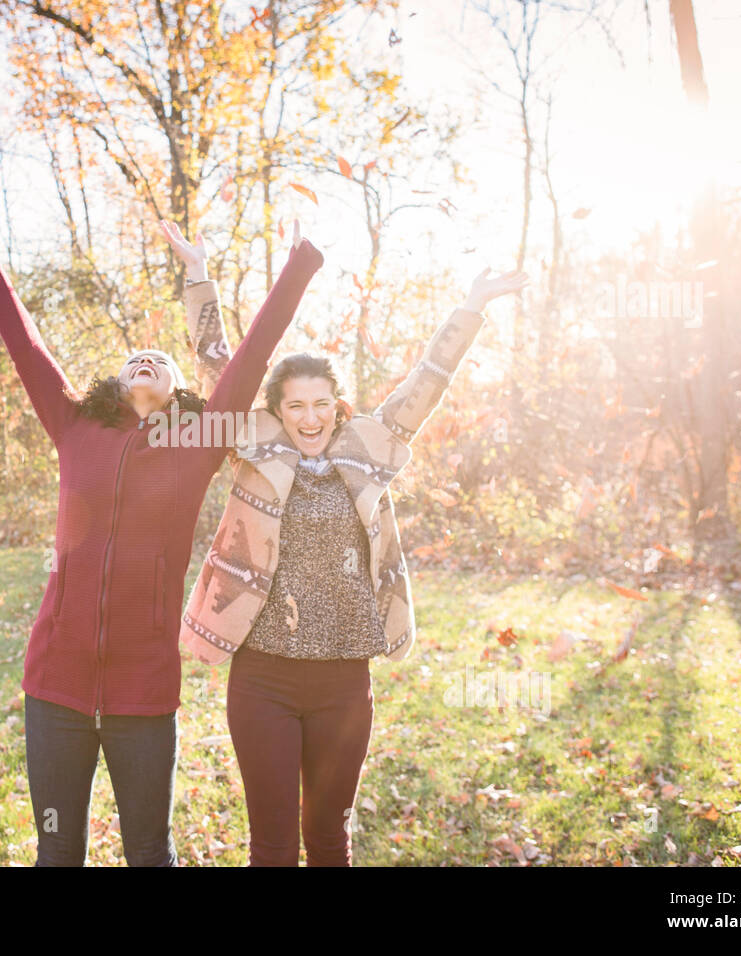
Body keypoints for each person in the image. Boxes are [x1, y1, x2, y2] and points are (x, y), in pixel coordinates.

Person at [0, 221, 324, 866]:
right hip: (56, 687)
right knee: (56, 851)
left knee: (149, 853)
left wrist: (298, 264)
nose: (147, 357)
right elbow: (29, 349)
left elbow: (251, 358)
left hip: (143, 691)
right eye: (136, 356)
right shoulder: (74, 426)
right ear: (116, 380)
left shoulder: (196, 445)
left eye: (161, 359)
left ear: (179, 389)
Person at [180, 265, 529, 866]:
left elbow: (427, 380)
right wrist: (197, 276)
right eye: (295, 406)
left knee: (329, 841)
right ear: (277, 410)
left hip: (344, 681)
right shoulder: (255, 444)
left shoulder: (366, 446)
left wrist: (471, 303)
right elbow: (218, 363)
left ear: (337, 407)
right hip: (262, 676)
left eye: (320, 405)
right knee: (271, 843)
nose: (309, 418)